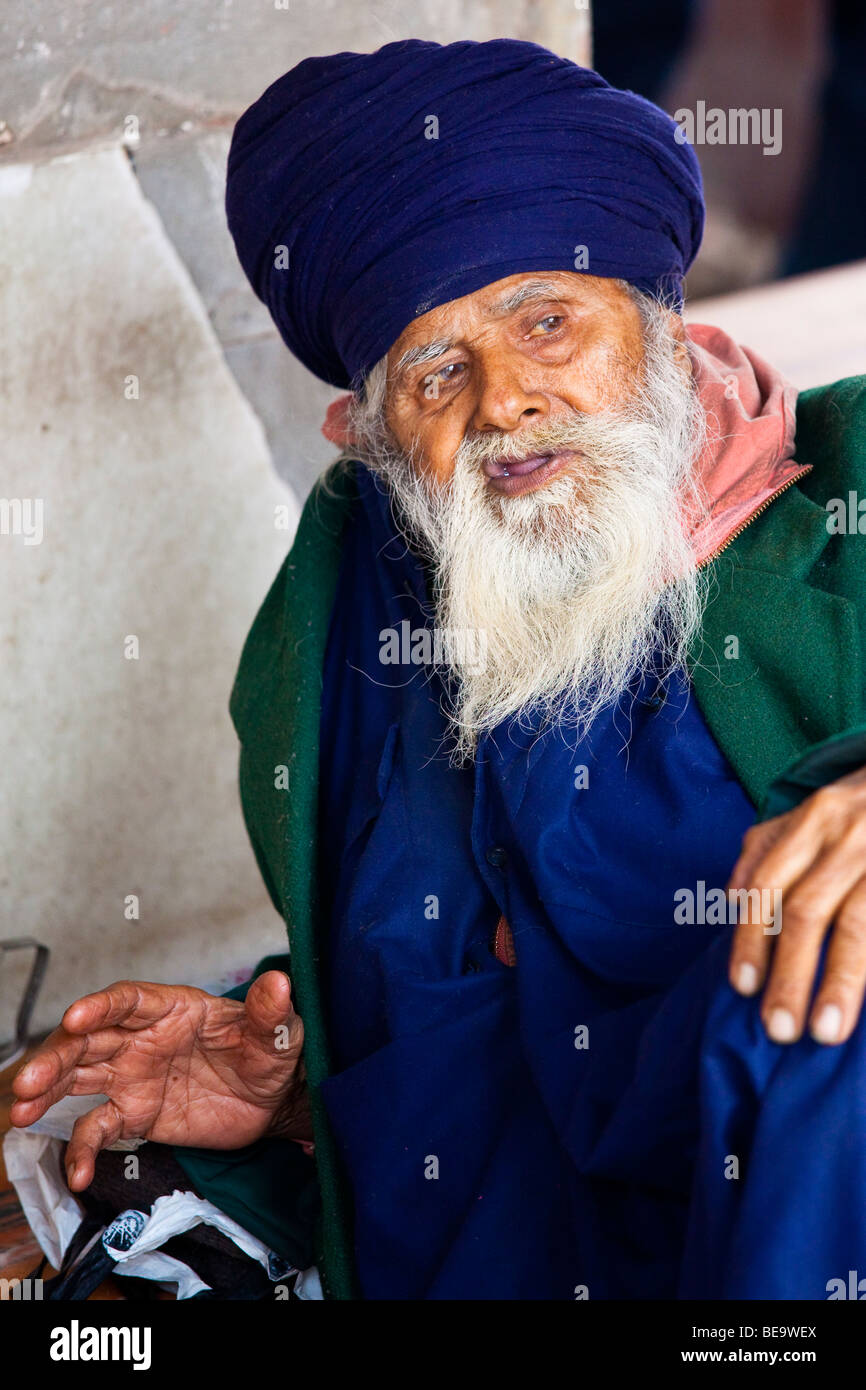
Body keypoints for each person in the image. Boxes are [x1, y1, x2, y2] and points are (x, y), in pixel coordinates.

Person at [12, 39, 866, 1301]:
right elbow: (476, 1024)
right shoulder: (368, 620)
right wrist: (294, 1078)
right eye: (435, 368)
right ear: (367, 433)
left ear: (660, 325)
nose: (506, 399)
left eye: (547, 321)